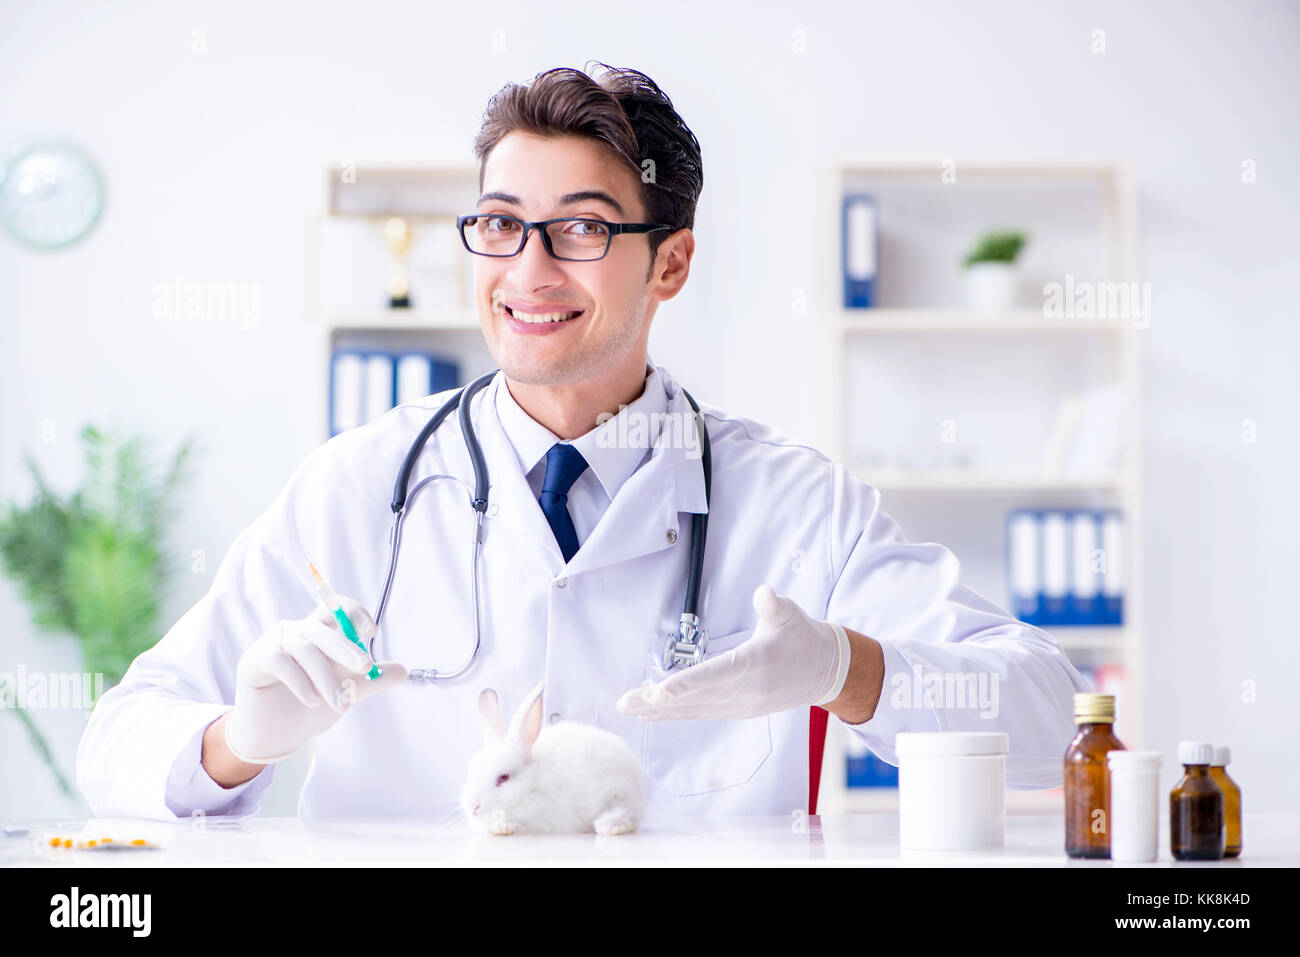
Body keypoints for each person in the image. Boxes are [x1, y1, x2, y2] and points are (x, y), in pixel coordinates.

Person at [77, 62, 1089, 824]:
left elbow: (1051, 714)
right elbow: (113, 741)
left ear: (672, 263)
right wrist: (233, 744)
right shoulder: (359, 485)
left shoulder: (794, 503)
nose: (528, 270)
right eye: (501, 223)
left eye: (583, 230)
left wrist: (845, 667)